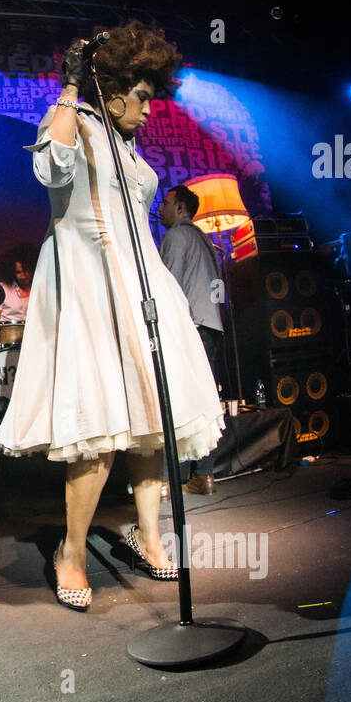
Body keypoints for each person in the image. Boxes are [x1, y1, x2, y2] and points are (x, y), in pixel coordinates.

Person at [0, 21, 224, 610]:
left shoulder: (126, 145)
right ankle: (70, 552)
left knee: (151, 423)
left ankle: (149, 537)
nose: (150, 110)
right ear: (113, 88)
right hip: (89, 284)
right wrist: (71, 87)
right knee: (97, 429)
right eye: (142, 96)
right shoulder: (69, 120)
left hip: (138, 284)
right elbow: (52, 170)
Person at [157, 184, 225, 494]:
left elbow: (168, 286)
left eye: (167, 203)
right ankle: (205, 475)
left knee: (180, 400)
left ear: (181, 208)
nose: (161, 208)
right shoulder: (204, 239)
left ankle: (179, 477)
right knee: (204, 399)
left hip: (190, 326)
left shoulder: (176, 236)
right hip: (211, 325)